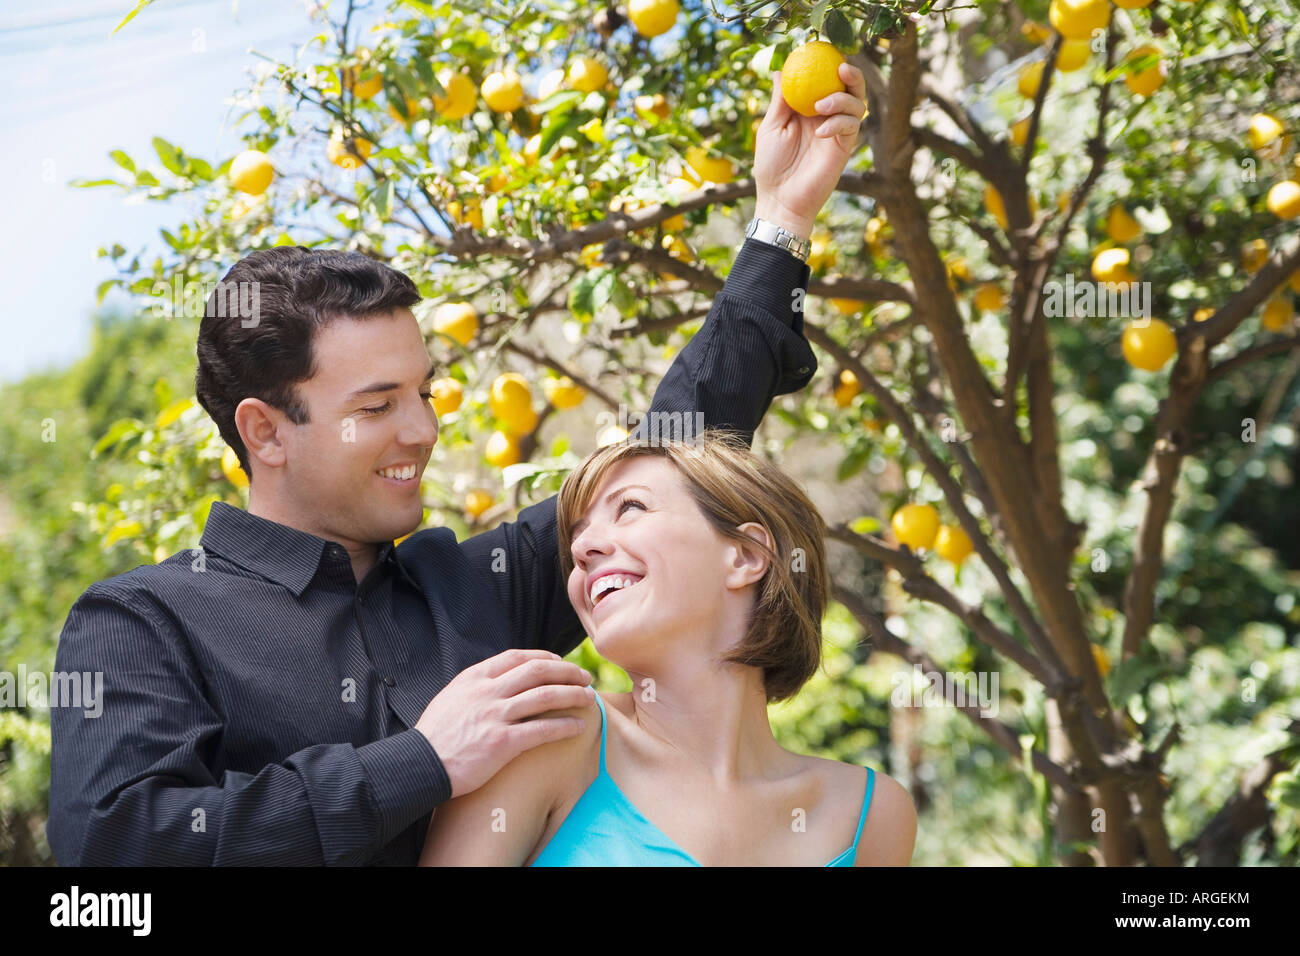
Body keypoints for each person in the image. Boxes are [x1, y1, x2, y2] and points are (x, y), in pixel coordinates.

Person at [46, 63, 869, 865]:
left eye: (423, 393)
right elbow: (117, 856)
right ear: (265, 432)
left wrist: (782, 217)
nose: (422, 430)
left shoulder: (480, 589)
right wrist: (422, 761)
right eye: (376, 407)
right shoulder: (145, 621)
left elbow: (672, 448)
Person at [419, 430, 917, 866]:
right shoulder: (545, 731)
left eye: (630, 507)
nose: (580, 549)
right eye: (576, 535)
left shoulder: (869, 815)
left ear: (745, 555)